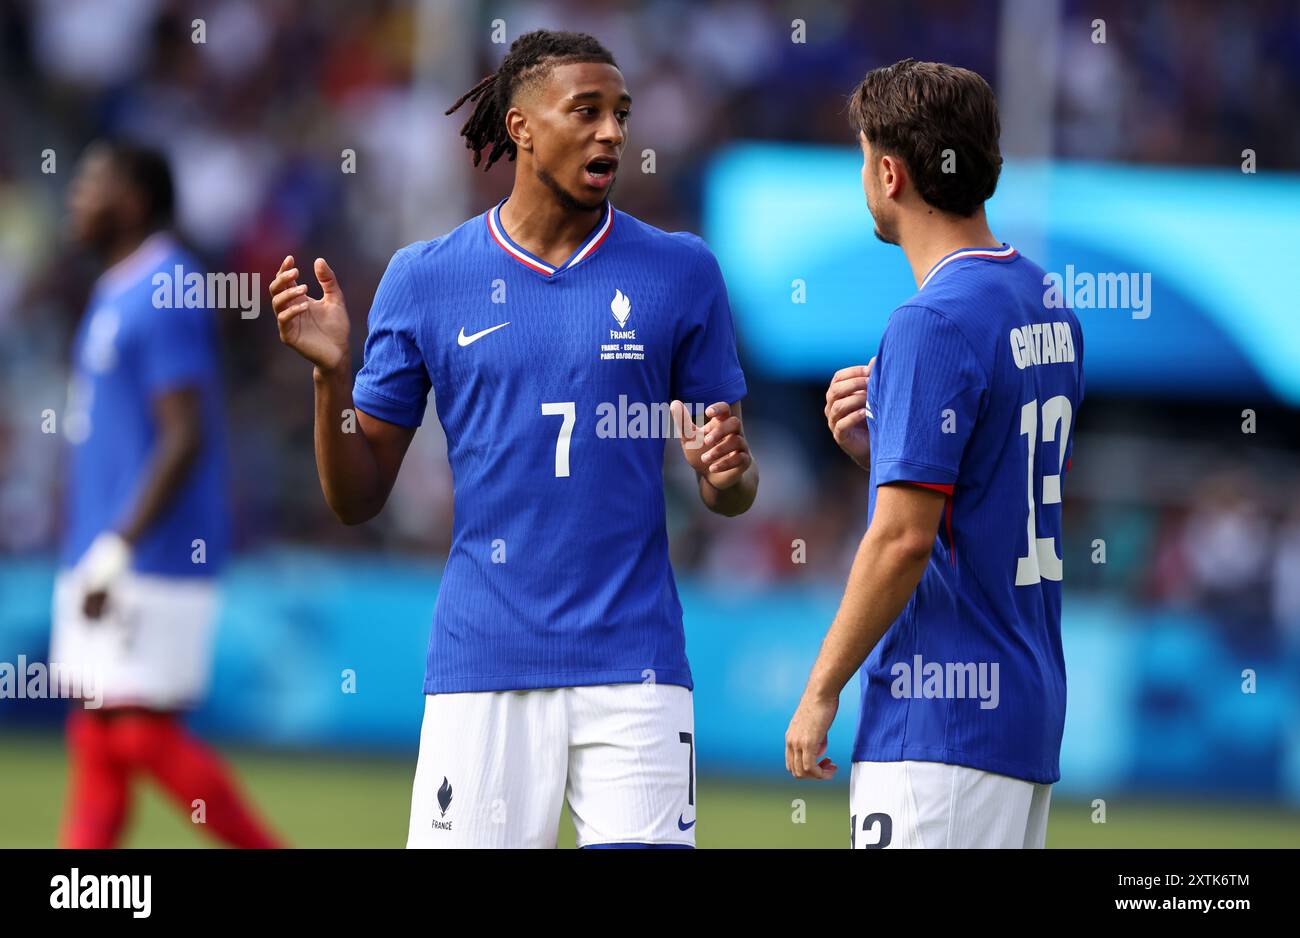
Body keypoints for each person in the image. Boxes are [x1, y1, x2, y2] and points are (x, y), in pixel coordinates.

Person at [270, 30, 757, 848]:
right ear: (523, 127)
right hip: (485, 664)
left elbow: (731, 489)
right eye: (587, 112)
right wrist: (328, 379)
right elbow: (356, 499)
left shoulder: (681, 271)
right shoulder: (426, 278)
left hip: (635, 664)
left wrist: (726, 475)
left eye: (621, 115)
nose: (612, 133)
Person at [785, 59, 1085, 849]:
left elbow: (904, 538)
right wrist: (888, 455)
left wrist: (821, 691)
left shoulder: (932, 321)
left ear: (890, 172)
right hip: (1024, 708)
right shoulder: (1046, 302)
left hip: (941, 720)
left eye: (862, 158)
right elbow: (987, 490)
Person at [52, 140, 280, 849]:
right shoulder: (116, 288)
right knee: (98, 730)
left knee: (137, 730)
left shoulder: (166, 287)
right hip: (107, 546)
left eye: (92, 184)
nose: (75, 197)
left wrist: (118, 549)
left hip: (152, 554)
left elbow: (184, 436)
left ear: (136, 200)